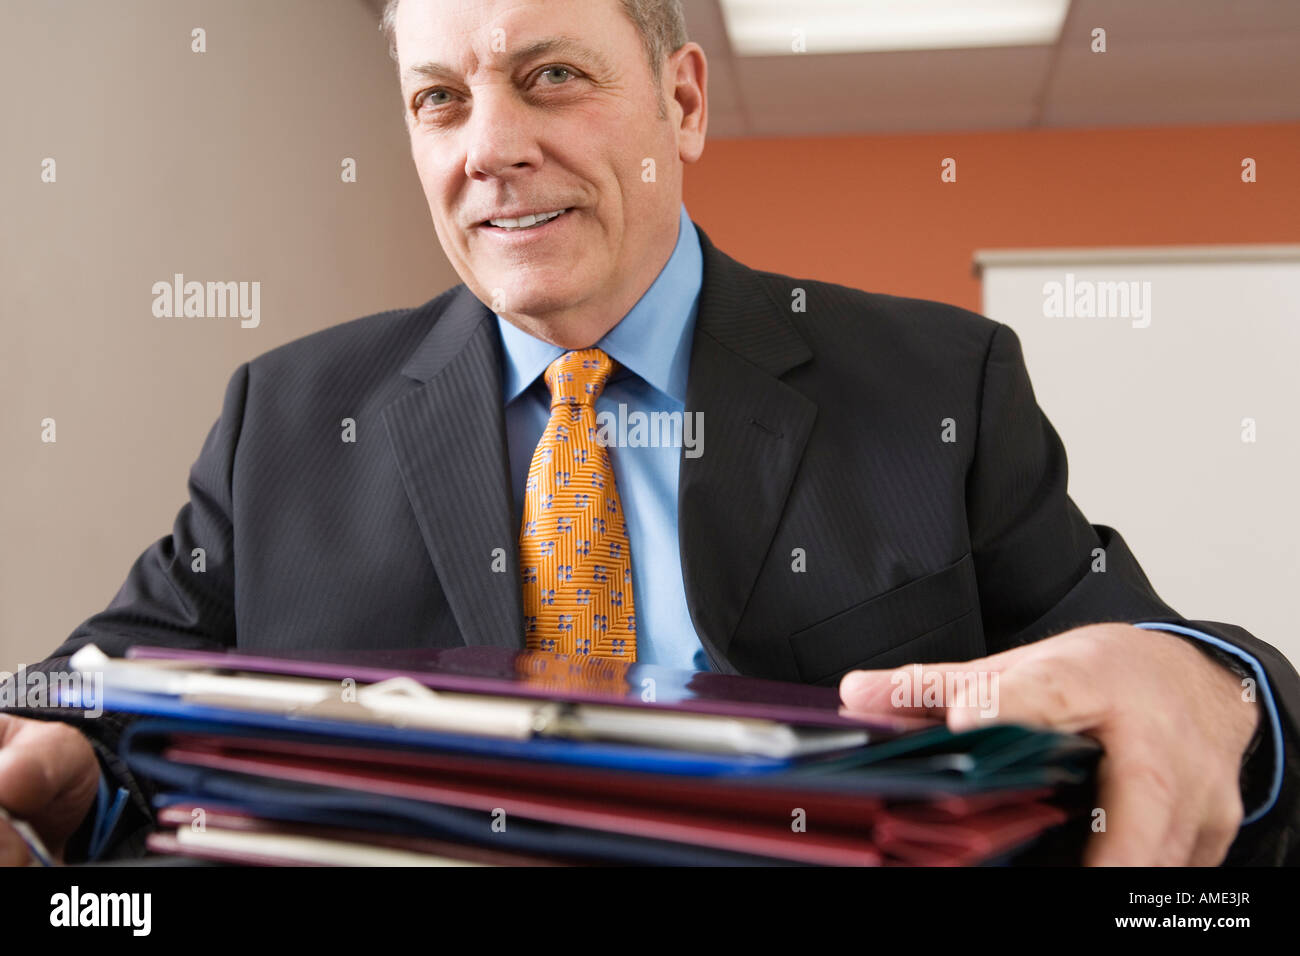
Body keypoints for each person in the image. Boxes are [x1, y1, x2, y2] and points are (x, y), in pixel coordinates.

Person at [1, 0, 1295, 867]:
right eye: (439, 101)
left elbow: (1148, 668)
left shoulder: (936, 384)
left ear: (682, 103)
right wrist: (58, 780)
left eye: (550, 77)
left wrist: (1218, 692)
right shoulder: (281, 420)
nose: (492, 148)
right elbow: (82, 698)